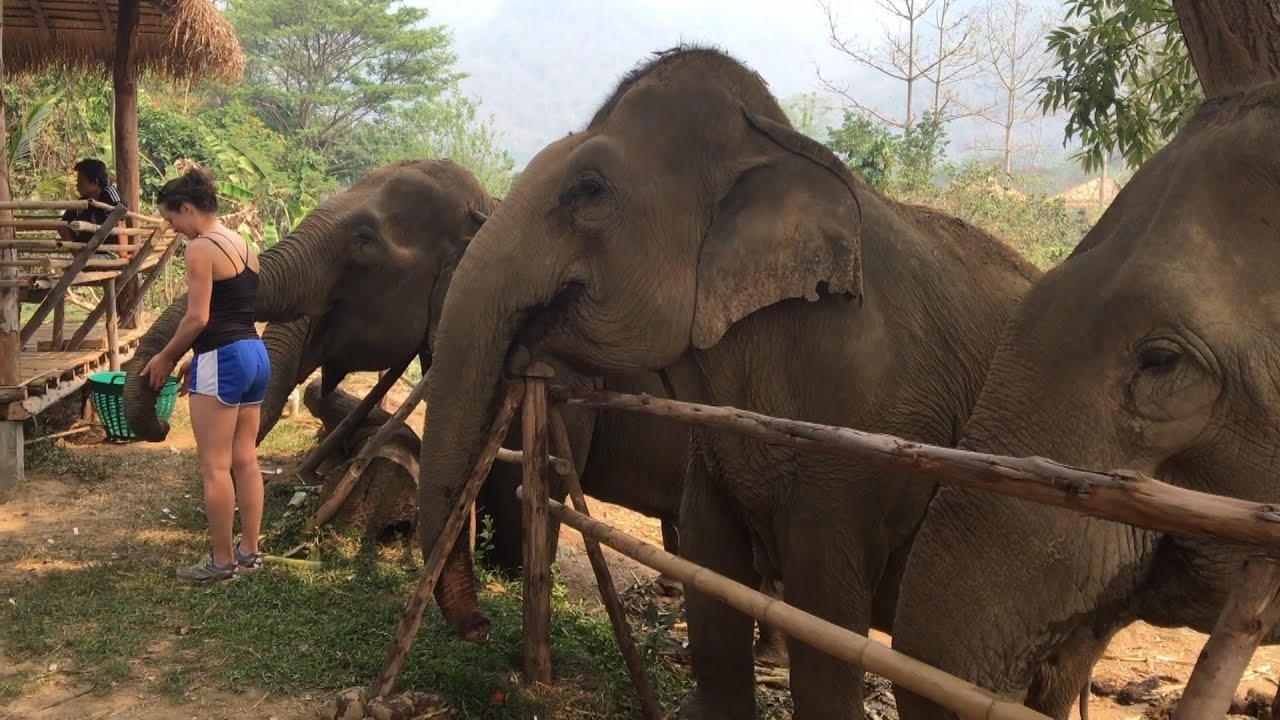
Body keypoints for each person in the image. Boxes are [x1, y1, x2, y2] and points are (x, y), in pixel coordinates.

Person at [138, 167, 270, 583]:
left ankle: (221, 562)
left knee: (214, 466)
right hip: (255, 353)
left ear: (188, 208)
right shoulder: (244, 244)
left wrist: (164, 356)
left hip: (224, 357)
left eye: (170, 218)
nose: (171, 227)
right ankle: (250, 551)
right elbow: (234, 310)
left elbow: (198, 318)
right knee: (245, 459)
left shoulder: (200, 248)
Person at [58, 158, 125, 254]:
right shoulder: (82, 202)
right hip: (86, 255)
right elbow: (62, 227)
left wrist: (123, 254)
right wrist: (77, 255)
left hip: (110, 253)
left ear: (94, 182)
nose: (77, 185)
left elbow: (121, 221)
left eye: (81, 181)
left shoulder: (110, 195)